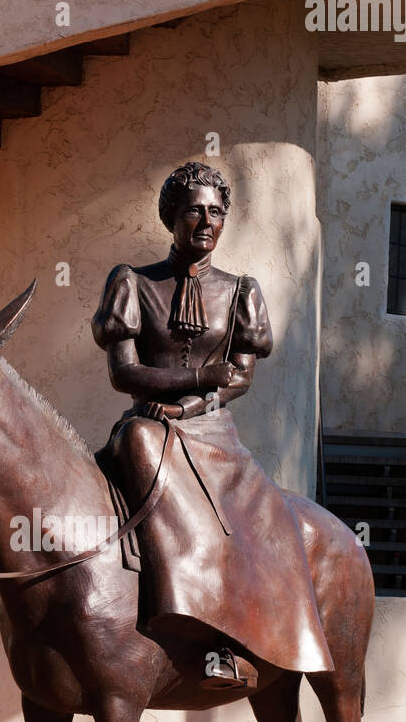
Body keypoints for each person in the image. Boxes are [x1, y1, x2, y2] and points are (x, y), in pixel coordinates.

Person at [92, 162, 333, 687]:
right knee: (133, 444)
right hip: (148, 425)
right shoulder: (133, 282)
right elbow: (124, 373)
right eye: (194, 210)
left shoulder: (242, 290)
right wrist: (198, 375)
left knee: (247, 519)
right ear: (172, 217)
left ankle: (232, 635)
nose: (205, 221)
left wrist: (187, 407)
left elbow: (240, 379)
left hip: (210, 430)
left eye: (216, 212)